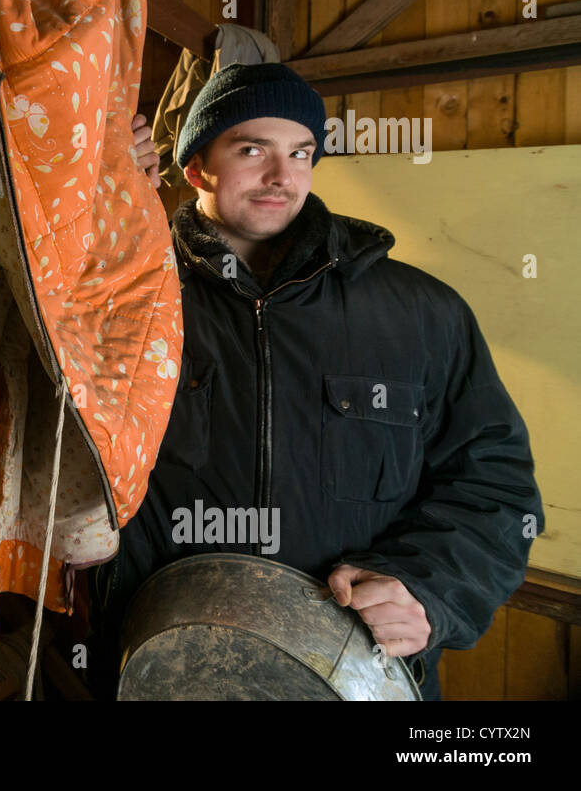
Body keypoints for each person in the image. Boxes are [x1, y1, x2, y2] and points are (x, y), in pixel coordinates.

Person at [92, 62, 542, 701]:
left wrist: (429, 588)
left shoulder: (421, 313)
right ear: (196, 169)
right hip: (159, 667)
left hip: (354, 678)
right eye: (253, 150)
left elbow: (497, 488)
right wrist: (94, 190)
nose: (282, 177)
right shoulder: (124, 296)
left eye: (301, 152)